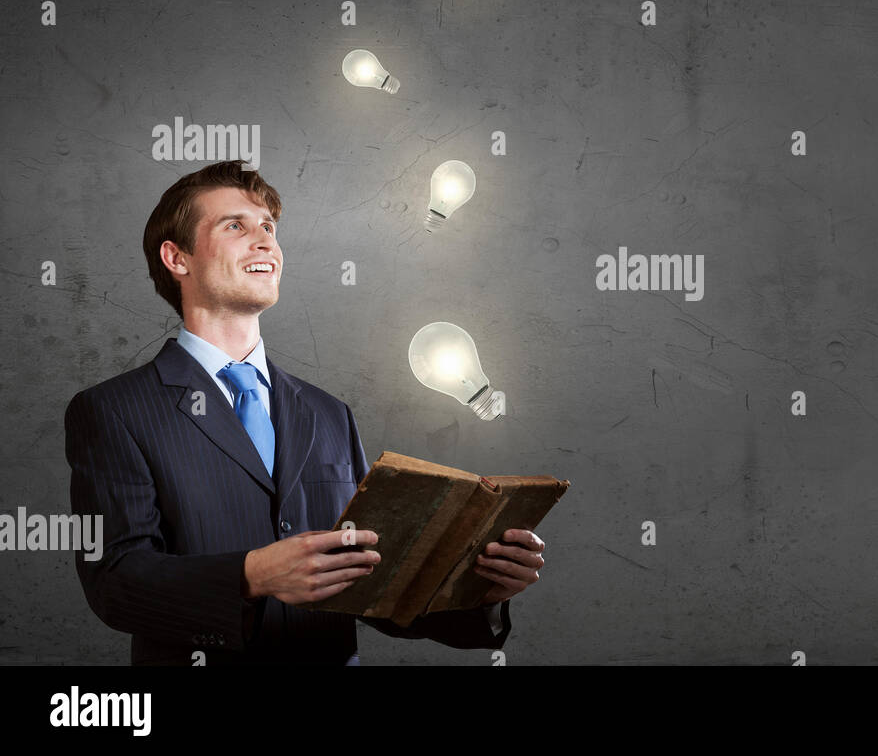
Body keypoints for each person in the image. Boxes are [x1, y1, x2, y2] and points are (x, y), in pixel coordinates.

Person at [65, 160, 546, 665]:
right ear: (177, 257)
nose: (265, 241)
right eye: (235, 226)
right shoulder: (114, 410)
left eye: (269, 228)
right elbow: (115, 582)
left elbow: (375, 585)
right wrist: (252, 576)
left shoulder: (328, 414)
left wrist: (484, 589)